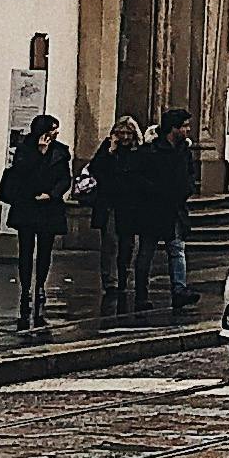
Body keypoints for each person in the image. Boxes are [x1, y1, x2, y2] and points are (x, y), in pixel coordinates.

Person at [0, 109, 73, 335]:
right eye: (51, 131)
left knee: (45, 251)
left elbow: (64, 178)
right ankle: (25, 289)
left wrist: (53, 194)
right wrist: (39, 154)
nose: (54, 135)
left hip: (49, 207)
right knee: (25, 250)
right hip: (28, 206)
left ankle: (40, 285)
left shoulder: (61, 152)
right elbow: (22, 174)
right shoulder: (25, 149)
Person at [83, 112, 148, 318]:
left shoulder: (140, 152)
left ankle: (123, 277)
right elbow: (95, 169)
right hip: (110, 203)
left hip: (131, 205)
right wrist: (110, 151)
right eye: (120, 132)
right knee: (110, 242)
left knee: (127, 244)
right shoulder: (108, 149)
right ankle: (109, 280)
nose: (124, 137)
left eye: (128, 133)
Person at [135, 107, 199, 315]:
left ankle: (179, 290)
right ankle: (141, 294)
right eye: (185, 126)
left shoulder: (183, 151)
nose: (188, 130)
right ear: (174, 128)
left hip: (175, 209)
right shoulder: (151, 151)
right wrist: (160, 193)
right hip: (154, 209)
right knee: (147, 252)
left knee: (177, 250)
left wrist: (186, 190)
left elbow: (190, 176)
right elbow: (141, 180)